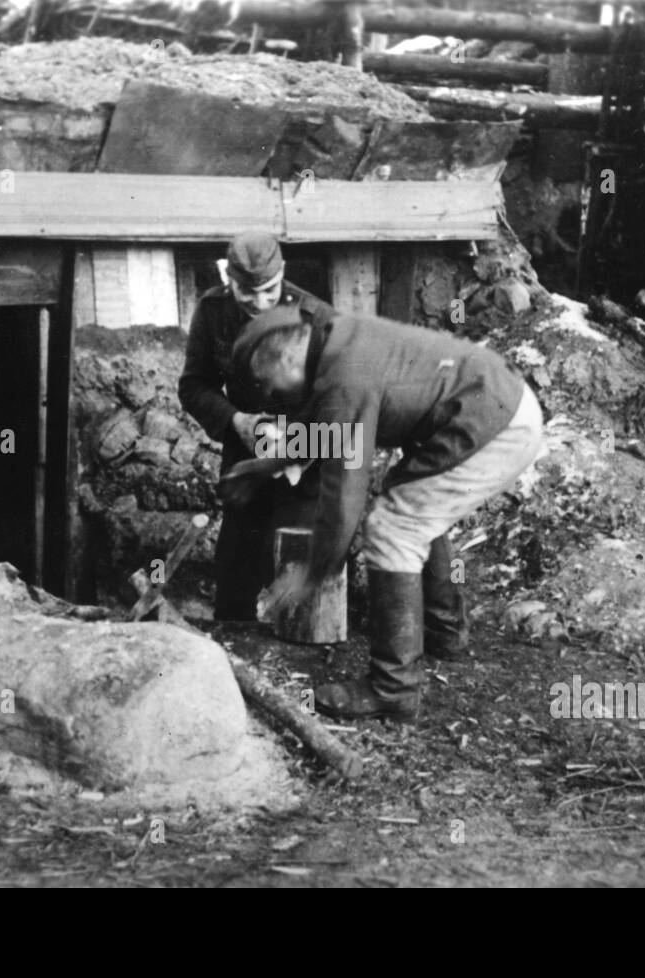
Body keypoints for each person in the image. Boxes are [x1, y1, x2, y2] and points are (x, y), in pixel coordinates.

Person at [230, 304, 545, 724]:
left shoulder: (345, 378)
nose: (270, 396)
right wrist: (266, 466)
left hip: (494, 425)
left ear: (288, 357)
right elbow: (324, 425)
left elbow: (344, 492)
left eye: (266, 384)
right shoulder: (333, 344)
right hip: (499, 407)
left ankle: (393, 688)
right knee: (416, 506)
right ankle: (443, 632)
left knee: (392, 525)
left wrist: (311, 572)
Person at [178, 231, 334, 620]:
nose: (261, 303)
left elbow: (337, 406)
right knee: (233, 581)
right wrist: (237, 420)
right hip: (245, 455)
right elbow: (194, 385)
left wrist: (295, 446)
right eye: (248, 293)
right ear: (228, 280)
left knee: (288, 570)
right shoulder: (213, 312)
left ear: (283, 273)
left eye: (269, 291)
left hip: (303, 463)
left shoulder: (316, 318)